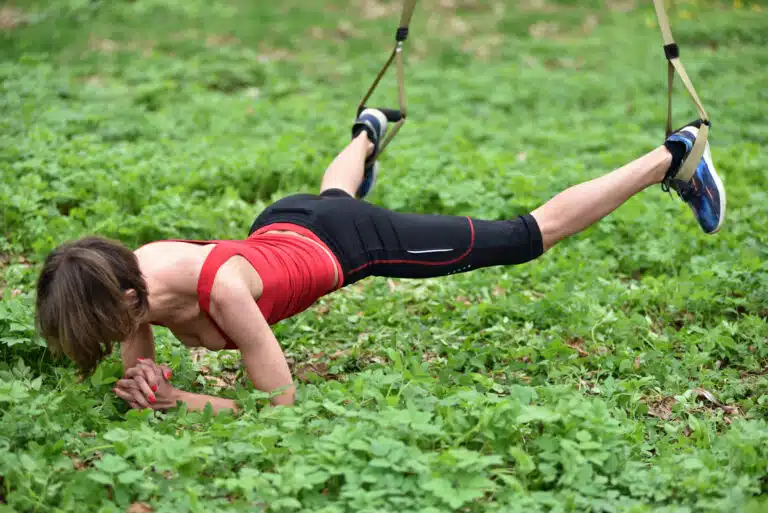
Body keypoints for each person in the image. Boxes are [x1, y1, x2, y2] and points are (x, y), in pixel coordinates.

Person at [34, 110, 725, 414]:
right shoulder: (128, 277)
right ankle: (367, 131)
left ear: (128, 296)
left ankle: (674, 157)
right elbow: (136, 359)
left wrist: (177, 400)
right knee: (331, 194)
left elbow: (279, 403)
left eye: (109, 328)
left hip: (342, 240)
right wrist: (141, 380)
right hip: (282, 223)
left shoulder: (223, 294)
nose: (116, 339)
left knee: (526, 234)